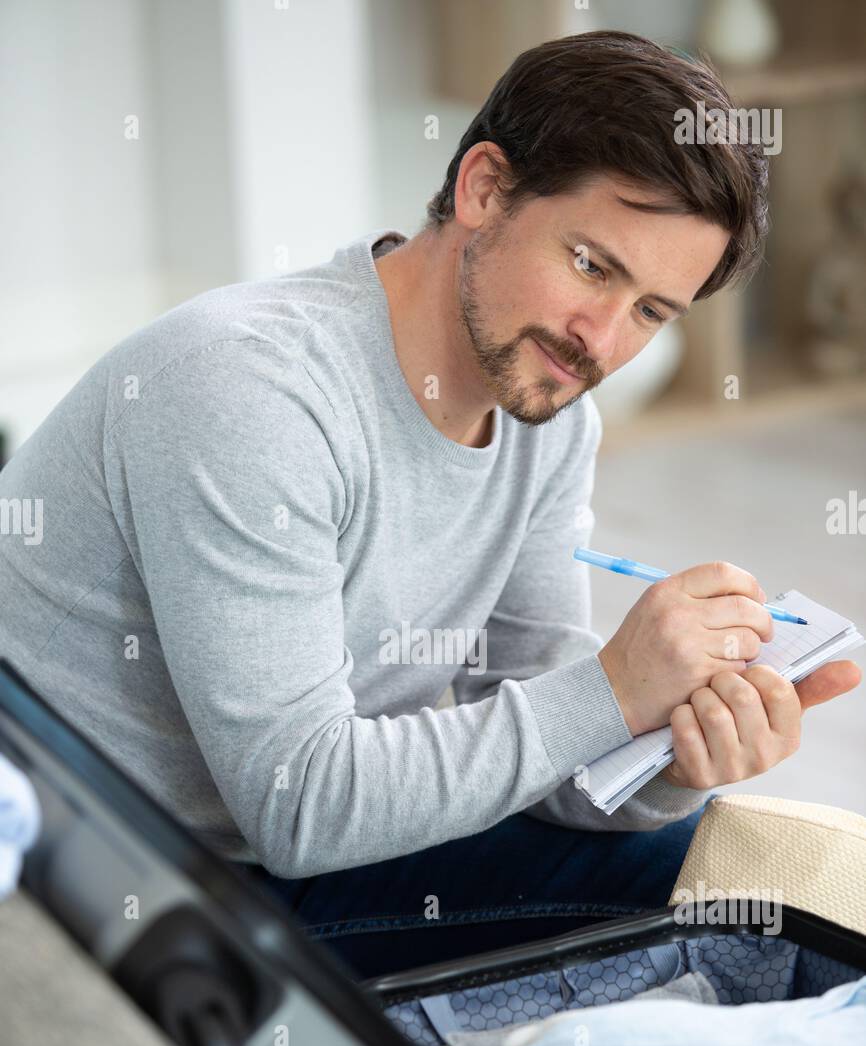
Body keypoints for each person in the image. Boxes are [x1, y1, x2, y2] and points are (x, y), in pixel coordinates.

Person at [0, 32, 858, 977]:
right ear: (483, 188)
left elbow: (534, 734)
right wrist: (612, 689)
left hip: (289, 843)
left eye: (652, 312)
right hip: (107, 873)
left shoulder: (548, 412)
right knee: (720, 916)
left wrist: (667, 756)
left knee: (769, 891)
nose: (603, 342)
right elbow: (302, 806)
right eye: (591, 265)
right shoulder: (244, 392)